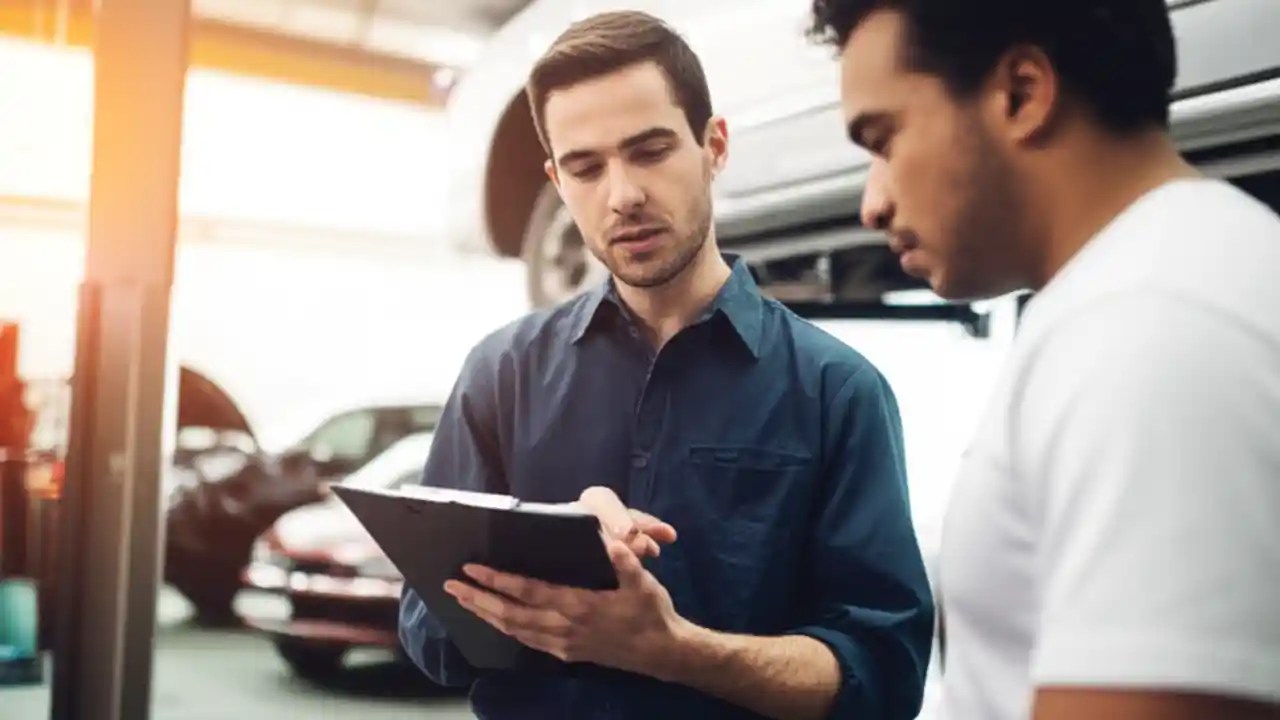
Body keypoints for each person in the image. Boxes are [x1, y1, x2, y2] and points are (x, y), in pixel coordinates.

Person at [398, 10, 934, 720]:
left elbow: (883, 679)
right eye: (586, 167)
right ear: (558, 181)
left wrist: (669, 647)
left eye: (649, 151)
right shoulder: (503, 374)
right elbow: (428, 636)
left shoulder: (839, 392)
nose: (622, 195)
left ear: (714, 145)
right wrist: (550, 549)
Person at [808, 1, 1280, 718]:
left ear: (1021, 93)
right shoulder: (1167, 281)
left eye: (883, 140)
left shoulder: (1145, 326)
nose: (872, 204)